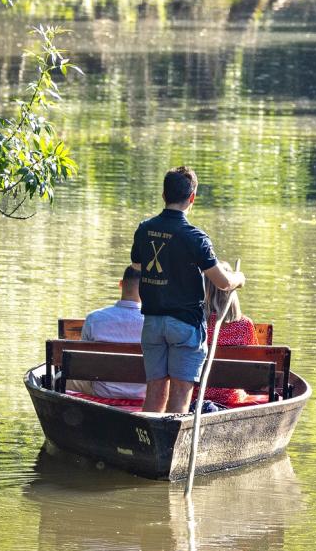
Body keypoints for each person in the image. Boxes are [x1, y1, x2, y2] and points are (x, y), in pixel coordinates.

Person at [130, 166, 245, 415]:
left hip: (152, 322)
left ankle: (150, 445)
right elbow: (223, 282)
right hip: (185, 324)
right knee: (181, 393)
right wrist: (239, 278)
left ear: (163, 194)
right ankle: (171, 447)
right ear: (192, 197)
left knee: (155, 390)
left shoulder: (144, 229)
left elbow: (137, 265)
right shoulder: (196, 238)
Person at [77, 266, 145, 401]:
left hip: (102, 392)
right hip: (145, 393)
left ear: (121, 284)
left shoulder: (94, 318)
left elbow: (82, 360)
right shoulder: (154, 322)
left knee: (57, 379)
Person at [202, 272, 257, 409]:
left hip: (196, 395)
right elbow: (255, 365)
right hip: (232, 396)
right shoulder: (245, 325)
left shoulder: (195, 323)